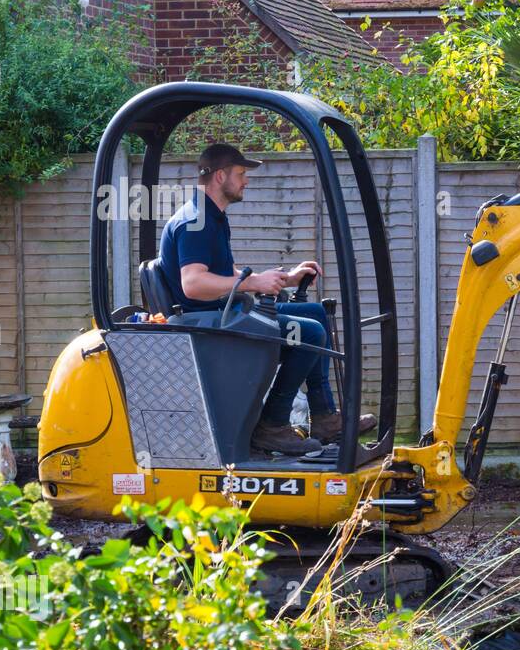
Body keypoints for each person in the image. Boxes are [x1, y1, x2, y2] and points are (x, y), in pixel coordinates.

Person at [157, 143, 377, 455]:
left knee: (315, 314)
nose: (246, 180)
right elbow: (193, 284)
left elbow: (223, 272)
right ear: (220, 176)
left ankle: (325, 416)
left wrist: (281, 279)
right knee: (311, 333)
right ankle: (272, 424)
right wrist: (254, 283)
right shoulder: (197, 222)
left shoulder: (212, 216)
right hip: (212, 327)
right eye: (241, 174)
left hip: (223, 313)